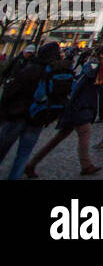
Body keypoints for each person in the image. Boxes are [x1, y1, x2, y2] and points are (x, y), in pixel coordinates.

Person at [24, 43, 103, 177]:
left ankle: (31, 164)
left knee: (59, 138)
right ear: (102, 54)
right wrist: (68, 104)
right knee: (84, 133)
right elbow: (78, 85)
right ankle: (86, 166)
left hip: (82, 107)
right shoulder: (93, 67)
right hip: (78, 107)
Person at [0, 42, 64, 180]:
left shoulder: (32, 69)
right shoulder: (55, 71)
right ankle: (14, 177)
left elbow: (11, 92)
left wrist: (4, 111)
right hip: (38, 117)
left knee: (3, 147)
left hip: (18, 115)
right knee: (24, 154)